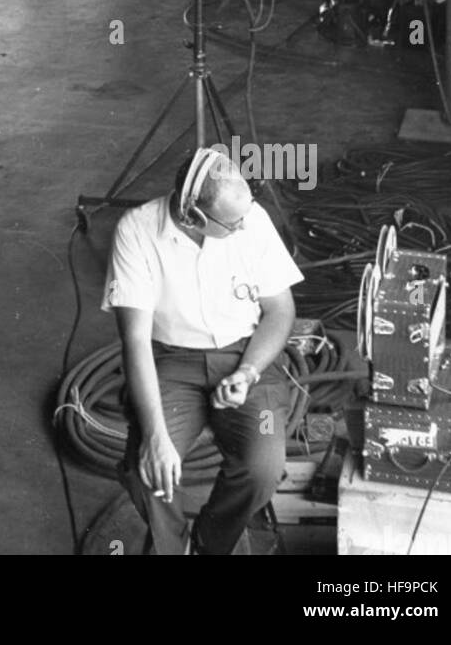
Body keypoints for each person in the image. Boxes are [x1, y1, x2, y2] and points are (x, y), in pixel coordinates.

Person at [102, 146, 304, 555]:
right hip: (172, 363)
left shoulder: (253, 219)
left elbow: (281, 310)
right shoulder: (137, 231)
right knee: (147, 471)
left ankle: (210, 543)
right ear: (193, 214)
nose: (246, 226)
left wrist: (248, 373)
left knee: (264, 467)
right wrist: (156, 437)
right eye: (233, 224)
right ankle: (173, 547)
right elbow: (136, 340)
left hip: (249, 361)